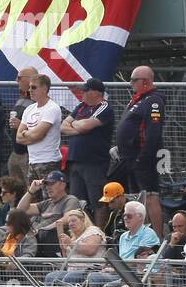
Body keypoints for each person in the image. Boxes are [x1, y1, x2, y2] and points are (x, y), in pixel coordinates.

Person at [113, 65, 165, 231]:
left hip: (143, 158)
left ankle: (158, 238)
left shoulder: (153, 100)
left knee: (150, 196)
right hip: (129, 158)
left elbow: (153, 131)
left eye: (134, 80)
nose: (131, 83)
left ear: (145, 81)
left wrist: (144, 157)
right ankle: (138, 233)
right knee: (136, 199)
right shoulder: (138, 99)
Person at [61, 78, 113, 215]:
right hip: (76, 160)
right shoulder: (81, 106)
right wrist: (79, 128)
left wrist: (77, 124)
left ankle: (99, 231)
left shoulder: (104, 107)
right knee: (76, 202)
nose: (82, 93)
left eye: (86, 90)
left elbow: (85, 126)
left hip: (94, 162)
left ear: (96, 93)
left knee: (98, 200)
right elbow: (63, 126)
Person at [15, 74, 63, 180]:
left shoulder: (52, 108)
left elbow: (38, 135)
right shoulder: (29, 109)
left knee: (49, 196)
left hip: (49, 161)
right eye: (29, 87)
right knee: (33, 195)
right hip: (32, 161)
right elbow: (18, 138)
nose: (30, 90)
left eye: (34, 87)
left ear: (44, 89)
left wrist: (26, 134)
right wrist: (29, 135)